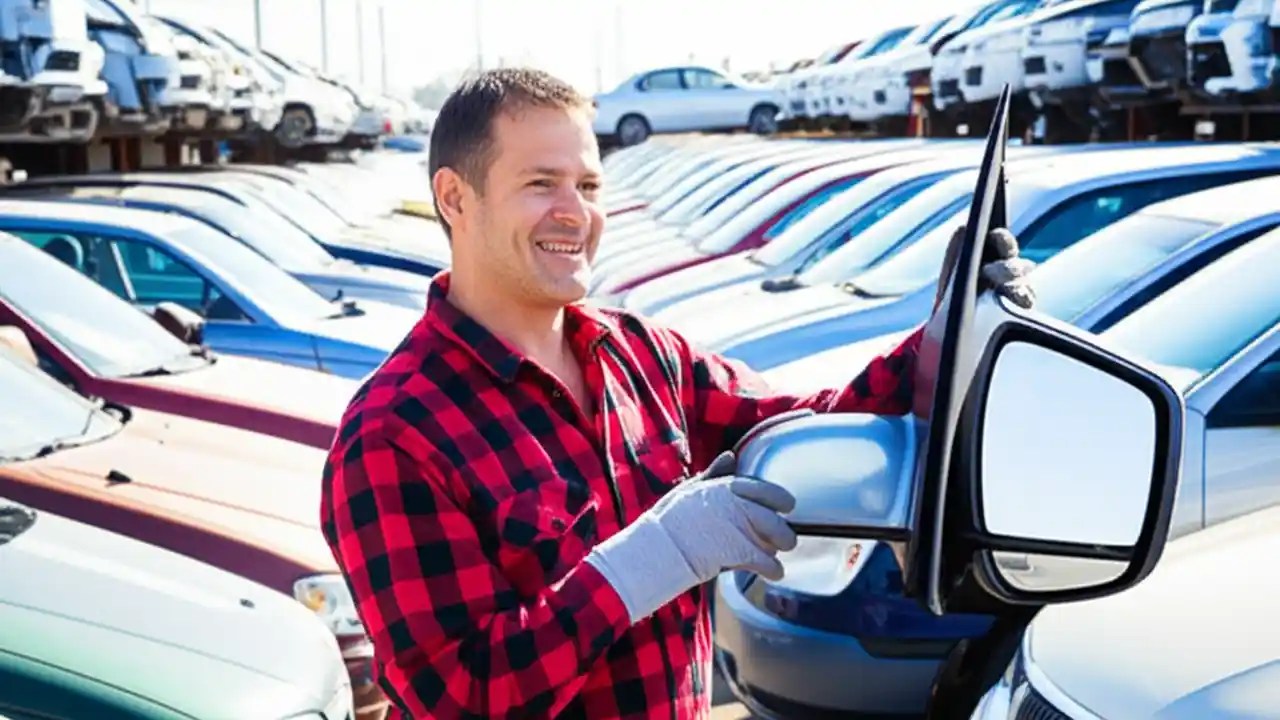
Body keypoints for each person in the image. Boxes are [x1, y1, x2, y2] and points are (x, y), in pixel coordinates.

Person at [320, 67, 1034, 720]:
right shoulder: (393, 434)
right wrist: (652, 559)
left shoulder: (643, 354)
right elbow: (463, 698)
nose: (576, 213)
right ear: (455, 198)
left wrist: (951, 334)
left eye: (589, 186)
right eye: (541, 183)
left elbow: (806, 431)